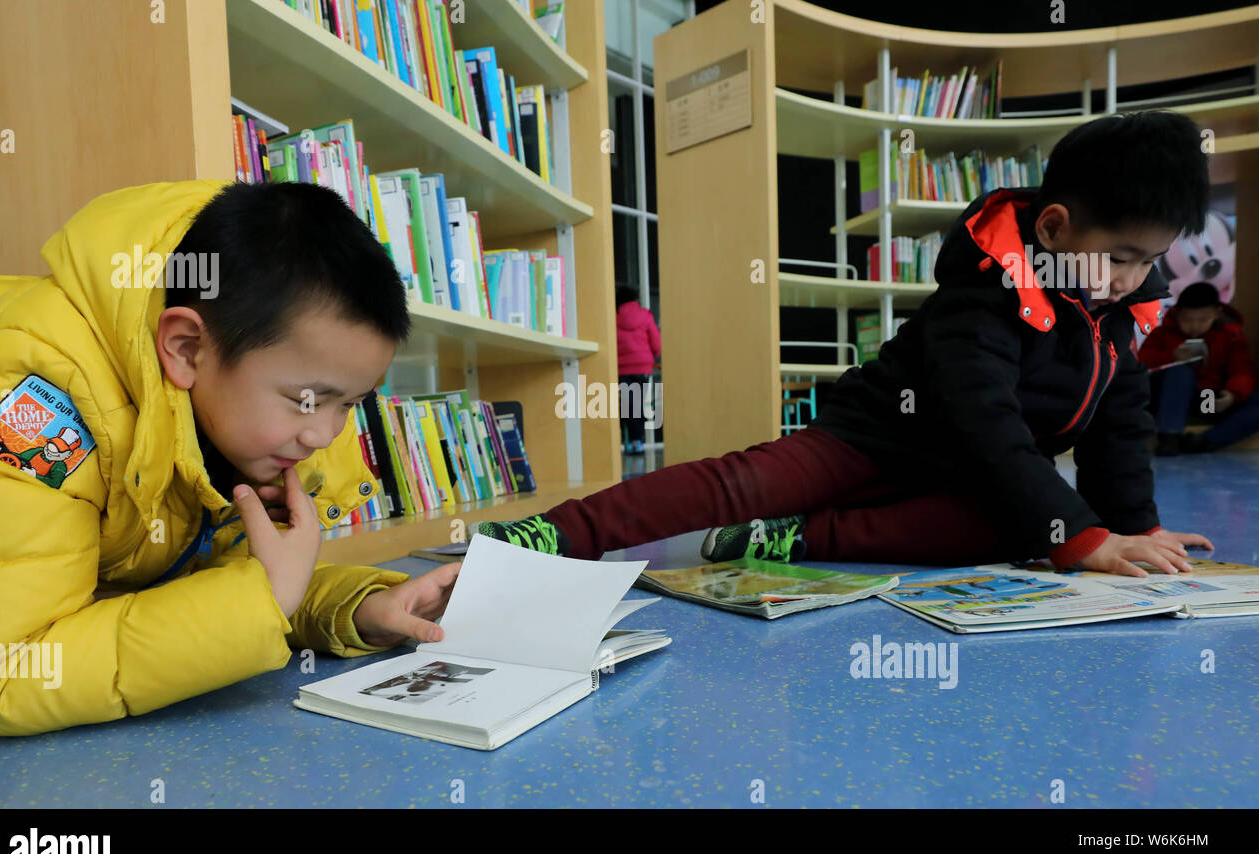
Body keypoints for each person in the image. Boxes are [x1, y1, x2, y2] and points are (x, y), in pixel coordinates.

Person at [470, 111, 1214, 577]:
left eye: (1149, 261)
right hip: (871, 438)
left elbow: (1121, 427)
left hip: (965, 477)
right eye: (1118, 255)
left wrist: (1132, 528)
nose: (1130, 279)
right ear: (1053, 227)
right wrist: (1084, 539)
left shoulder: (1121, 313)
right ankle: (546, 535)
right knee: (744, 485)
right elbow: (987, 423)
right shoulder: (984, 294)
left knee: (1022, 528)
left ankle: (790, 542)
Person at [0, 180, 461, 736]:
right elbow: (0, 674)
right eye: (306, 400)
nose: (325, 433)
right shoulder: (28, 402)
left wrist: (355, 608)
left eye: (352, 403)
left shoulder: (238, 412)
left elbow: (204, 579)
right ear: (186, 348)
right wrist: (260, 598)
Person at [1137, 281, 1258, 454]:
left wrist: (1232, 395)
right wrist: (1171, 357)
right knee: (1180, 372)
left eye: (1203, 320)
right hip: (1168, 400)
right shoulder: (1162, 334)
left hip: (1206, 400)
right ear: (1177, 313)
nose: (1194, 326)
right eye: (1187, 320)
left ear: (1217, 313)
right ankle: (1169, 437)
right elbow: (1141, 366)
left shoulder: (1231, 336)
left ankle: (1204, 441)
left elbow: (1242, 371)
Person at [615, 285, 661, 455]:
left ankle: (629, 441)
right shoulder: (645, 315)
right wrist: (653, 356)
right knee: (638, 403)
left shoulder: (614, 317)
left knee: (627, 403)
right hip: (642, 367)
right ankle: (637, 442)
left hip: (621, 369)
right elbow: (656, 343)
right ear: (635, 299)